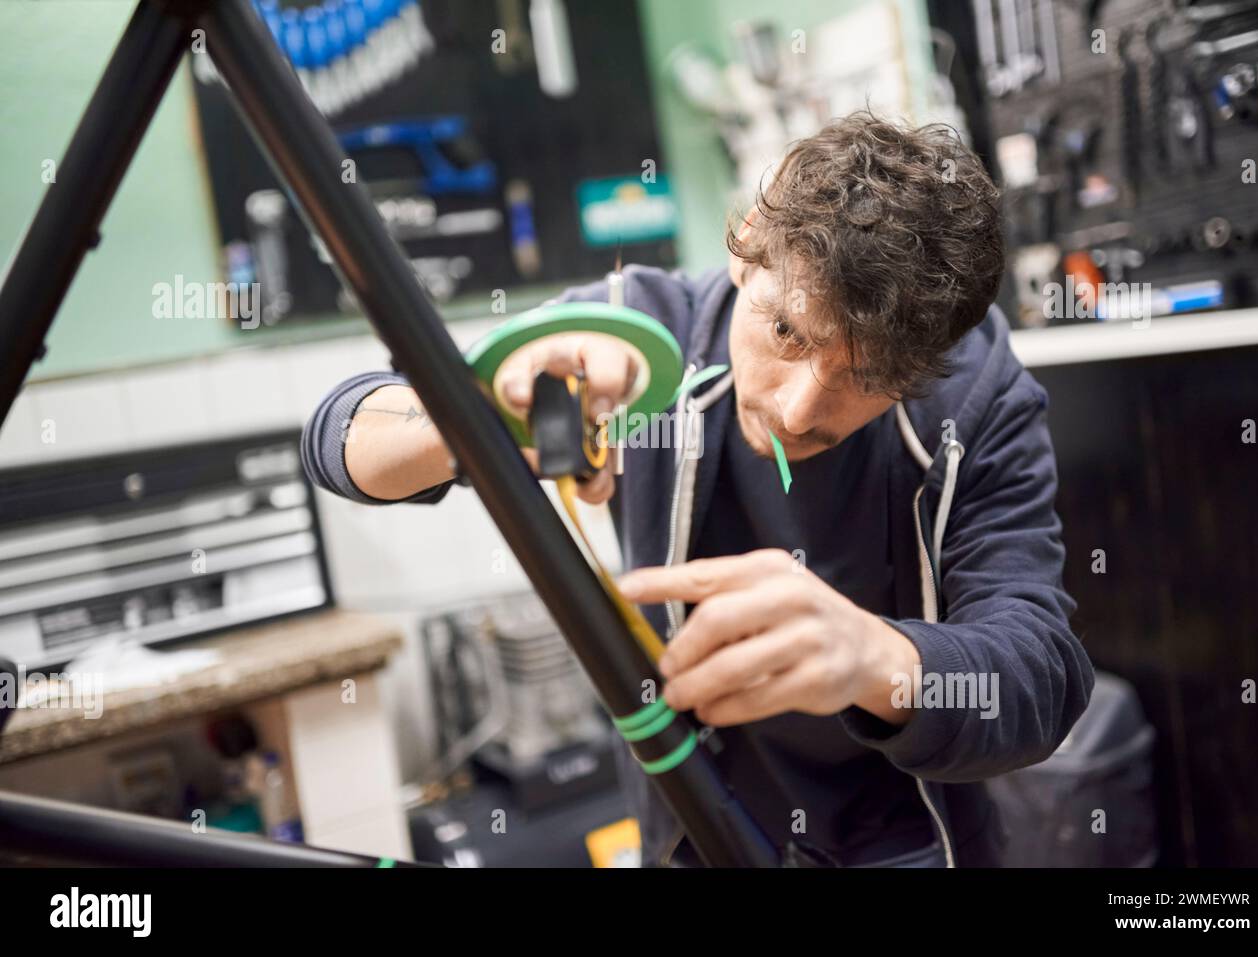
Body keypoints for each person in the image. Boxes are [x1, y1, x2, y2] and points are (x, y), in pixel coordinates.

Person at [301, 111, 1095, 867]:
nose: (797, 409)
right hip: (695, 835)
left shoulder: (975, 396)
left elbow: (1042, 679)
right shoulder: (645, 333)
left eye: (867, 377)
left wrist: (872, 658)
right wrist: (481, 411)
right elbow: (336, 436)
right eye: (786, 330)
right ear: (746, 245)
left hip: (906, 846)